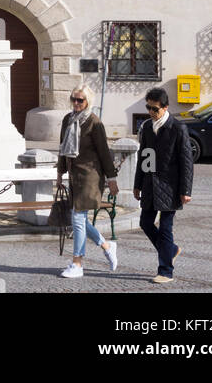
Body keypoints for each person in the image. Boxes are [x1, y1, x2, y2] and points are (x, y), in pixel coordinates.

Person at [57, 86, 120, 279]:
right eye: (74, 99)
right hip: (74, 176)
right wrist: (60, 173)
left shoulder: (94, 122)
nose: (76, 103)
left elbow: (104, 153)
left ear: (88, 102)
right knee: (80, 219)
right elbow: (62, 148)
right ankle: (107, 246)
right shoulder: (68, 119)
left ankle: (77, 263)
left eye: (80, 100)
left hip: (91, 176)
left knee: (77, 218)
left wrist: (112, 179)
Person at [133, 85, 193, 283]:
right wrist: (138, 184)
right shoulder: (148, 128)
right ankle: (172, 250)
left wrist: (185, 190)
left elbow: (186, 162)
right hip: (150, 184)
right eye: (148, 108)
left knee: (166, 227)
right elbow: (144, 157)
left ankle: (165, 271)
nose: (151, 112)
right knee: (145, 223)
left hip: (171, 187)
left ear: (165, 108)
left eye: (155, 109)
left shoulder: (178, 128)